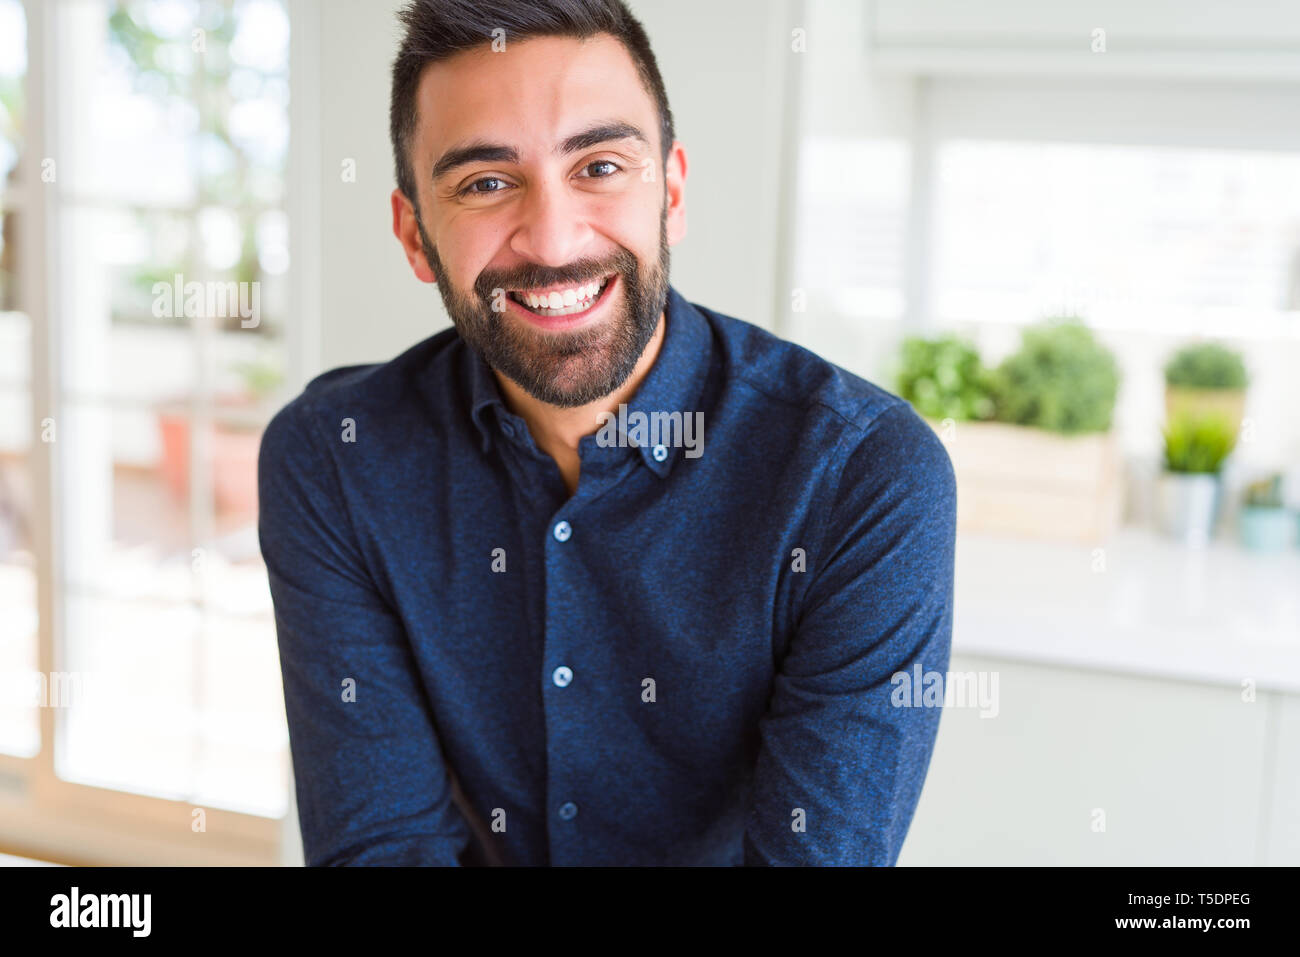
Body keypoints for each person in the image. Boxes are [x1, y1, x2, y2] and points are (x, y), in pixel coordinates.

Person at [258, 0, 957, 866]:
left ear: (669, 190)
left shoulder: (863, 478)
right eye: (485, 182)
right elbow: (382, 849)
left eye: (598, 165)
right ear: (414, 236)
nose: (553, 240)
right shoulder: (334, 459)